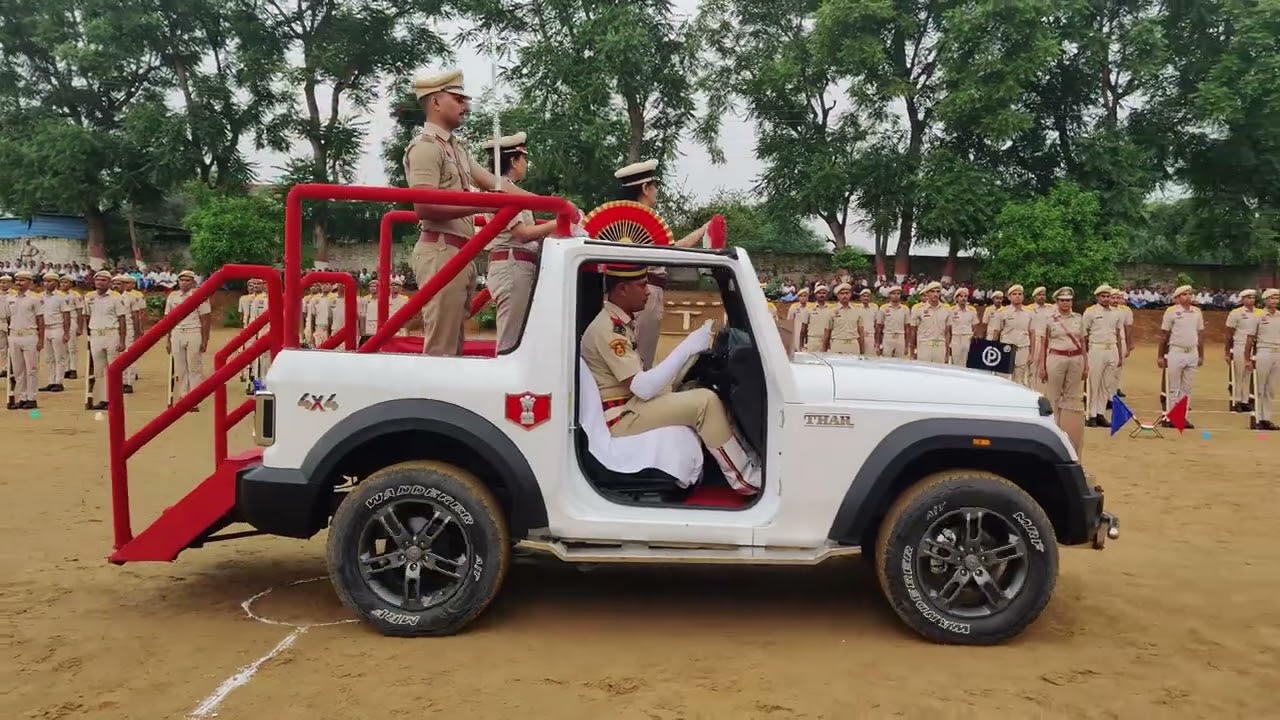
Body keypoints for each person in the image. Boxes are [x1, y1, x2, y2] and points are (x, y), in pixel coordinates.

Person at [581, 263, 761, 494]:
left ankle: (752, 459)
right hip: (622, 416)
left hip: (631, 405)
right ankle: (746, 480)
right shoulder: (608, 330)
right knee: (705, 402)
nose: (648, 291)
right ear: (622, 289)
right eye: (642, 285)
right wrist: (687, 347)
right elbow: (642, 387)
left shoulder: (619, 323)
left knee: (696, 387)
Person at [403, 69, 541, 356]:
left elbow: (498, 185)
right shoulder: (425, 148)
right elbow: (423, 206)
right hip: (441, 251)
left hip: (460, 253)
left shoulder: (458, 149)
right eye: (457, 99)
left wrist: (550, 204)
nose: (465, 106)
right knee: (442, 349)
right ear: (436, 102)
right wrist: (483, 203)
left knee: (453, 346)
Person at [611, 159, 712, 369]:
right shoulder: (643, 221)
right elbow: (672, 251)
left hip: (629, 292)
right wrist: (703, 230)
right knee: (641, 358)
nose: (656, 191)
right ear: (645, 188)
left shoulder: (625, 220)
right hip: (647, 292)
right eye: (654, 186)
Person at [484, 132, 558, 353]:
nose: (526, 163)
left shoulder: (508, 188)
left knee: (519, 337)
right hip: (513, 266)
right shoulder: (503, 189)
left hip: (516, 265)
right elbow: (522, 234)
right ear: (514, 161)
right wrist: (556, 224)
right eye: (524, 158)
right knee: (511, 340)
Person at [1038, 287, 1087, 455]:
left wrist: (1086, 363)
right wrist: (1042, 365)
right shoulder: (1049, 319)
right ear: (1057, 302)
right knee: (1053, 395)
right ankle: (1053, 429)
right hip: (1056, 357)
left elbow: (1083, 343)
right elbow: (1044, 344)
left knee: (1071, 397)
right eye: (1062, 300)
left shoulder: (1078, 318)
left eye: (1068, 300)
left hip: (1076, 358)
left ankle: (1066, 430)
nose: (1066, 303)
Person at [164, 270, 211, 410]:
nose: (184, 283)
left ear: (193, 282)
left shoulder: (200, 295)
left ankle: (194, 399)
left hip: (194, 331)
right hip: (177, 332)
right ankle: (184, 396)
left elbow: (205, 319)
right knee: (180, 367)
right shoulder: (172, 296)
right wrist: (168, 339)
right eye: (182, 280)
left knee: (194, 367)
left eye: (187, 280)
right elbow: (168, 318)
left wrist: (205, 340)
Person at [1158, 285, 1203, 428]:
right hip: (1176, 350)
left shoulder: (1197, 312)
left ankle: (1181, 417)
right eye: (1184, 294)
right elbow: (1164, 335)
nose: (1188, 297)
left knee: (1187, 388)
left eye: (1190, 294)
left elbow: (1199, 334)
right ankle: (1171, 416)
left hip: (1192, 351)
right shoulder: (1171, 312)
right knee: (1174, 387)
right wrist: (1160, 355)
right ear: (1177, 298)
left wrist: (1201, 354)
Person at [84, 270, 129, 410]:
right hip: (96, 334)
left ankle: (114, 399)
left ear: (109, 283)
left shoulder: (116, 298)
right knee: (99, 370)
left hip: (111, 334)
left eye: (104, 280)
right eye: (98, 280)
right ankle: (104, 398)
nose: (100, 282)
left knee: (113, 368)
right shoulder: (89, 297)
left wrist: (122, 340)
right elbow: (86, 317)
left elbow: (122, 319)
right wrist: (88, 336)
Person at [1082, 285, 1124, 427]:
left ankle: (1100, 413)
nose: (1106, 299)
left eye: (1108, 296)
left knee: (1107, 384)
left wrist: (1120, 355)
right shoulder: (1090, 312)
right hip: (1096, 348)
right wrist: (1085, 354)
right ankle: (1091, 414)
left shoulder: (1117, 313)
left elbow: (1117, 335)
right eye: (1103, 296)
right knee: (1094, 383)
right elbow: (1084, 334)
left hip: (1111, 348)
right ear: (1097, 297)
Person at [6, 270, 44, 409]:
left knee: (31, 369)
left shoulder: (35, 298)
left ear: (30, 282)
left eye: (22, 280)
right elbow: (9, 318)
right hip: (14, 335)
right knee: (18, 369)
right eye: (17, 280)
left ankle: (31, 398)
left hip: (30, 335)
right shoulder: (10, 299)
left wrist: (41, 339)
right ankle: (22, 397)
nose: (19, 283)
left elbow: (40, 320)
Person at [1244, 288, 1279, 430]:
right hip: (1263, 351)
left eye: (1277, 298)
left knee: (1271, 389)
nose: (1275, 301)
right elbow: (1250, 338)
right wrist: (1247, 358)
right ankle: (1257, 418)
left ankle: (1266, 419)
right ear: (1265, 300)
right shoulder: (1258, 316)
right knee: (1260, 387)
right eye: (1272, 298)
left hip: (1277, 352)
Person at [987, 284, 1034, 386]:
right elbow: (996, 332)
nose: (1017, 296)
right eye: (1014, 294)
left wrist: (1032, 353)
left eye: (1020, 294)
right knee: (1002, 379)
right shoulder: (1002, 312)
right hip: (1006, 348)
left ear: (1023, 296)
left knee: (1019, 380)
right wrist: (994, 351)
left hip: (1023, 348)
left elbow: (1032, 333)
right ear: (1009, 297)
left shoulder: (1029, 312)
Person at [1225, 289, 1262, 412]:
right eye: (1248, 297)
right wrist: (1227, 352)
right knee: (1239, 374)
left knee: (1248, 375)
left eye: (1253, 297)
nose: (1251, 300)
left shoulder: (1260, 313)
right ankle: (1237, 400)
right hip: (1240, 344)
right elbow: (1229, 333)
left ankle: (1245, 400)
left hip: (1255, 346)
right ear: (1242, 299)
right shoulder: (1236, 313)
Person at [38, 271, 71, 392]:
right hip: (45, 328)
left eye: (50, 281)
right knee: (48, 357)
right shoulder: (40, 296)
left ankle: (59, 382)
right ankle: (51, 381)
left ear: (56, 283)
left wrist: (66, 332)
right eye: (45, 281)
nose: (47, 283)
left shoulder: (62, 297)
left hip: (57, 327)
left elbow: (66, 315)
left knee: (59, 356)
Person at [909, 281, 948, 363]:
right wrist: (912, 350)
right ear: (927, 293)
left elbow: (947, 332)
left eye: (938, 292)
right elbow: (913, 331)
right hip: (924, 344)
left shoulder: (946, 309)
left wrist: (947, 353)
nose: (935, 294)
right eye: (932, 291)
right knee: (923, 369)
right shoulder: (918, 309)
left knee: (939, 370)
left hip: (940, 344)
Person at [946, 288, 978, 366]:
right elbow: (948, 328)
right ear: (957, 298)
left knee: (967, 361)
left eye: (965, 296)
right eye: (961, 296)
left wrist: (973, 337)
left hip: (968, 337)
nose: (963, 298)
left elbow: (975, 326)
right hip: (956, 337)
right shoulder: (951, 310)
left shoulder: (972, 310)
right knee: (956, 360)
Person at [827, 284, 861, 354]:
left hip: (853, 342)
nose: (845, 295)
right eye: (842, 293)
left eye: (847, 293)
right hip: (838, 342)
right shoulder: (831, 311)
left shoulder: (857, 310)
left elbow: (861, 331)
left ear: (850, 294)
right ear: (837, 296)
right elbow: (827, 332)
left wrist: (862, 349)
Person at [876, 286, 909, 358]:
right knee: (886, 360)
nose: (896, 295)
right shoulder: (883, 308)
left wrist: (907, 345)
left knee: (901, 361)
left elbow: (907, 328)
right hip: (888, 337)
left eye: (898, 293)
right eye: (893, 294)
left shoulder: (905, 309)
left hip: (900, 337)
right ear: (889, 295)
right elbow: (879, 327)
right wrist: (878, 344)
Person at [800, 284, 833, 352]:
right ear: (815, 295)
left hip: (829, 341)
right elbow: (803, 329)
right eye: (819, 293)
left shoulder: (832, 309)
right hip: (813, 341)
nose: (821, 295)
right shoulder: (809, 309)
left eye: (824, 293)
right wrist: (801, 346)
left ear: (827, 295)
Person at [854, 288, 878, 356]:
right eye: (864, 296)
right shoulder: (856, 308)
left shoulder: (874, 308)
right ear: (860, 297)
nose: (866, 298)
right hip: (859, 336)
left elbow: (876, 323)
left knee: (870, 356)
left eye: (868, 296)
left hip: (870, 335)